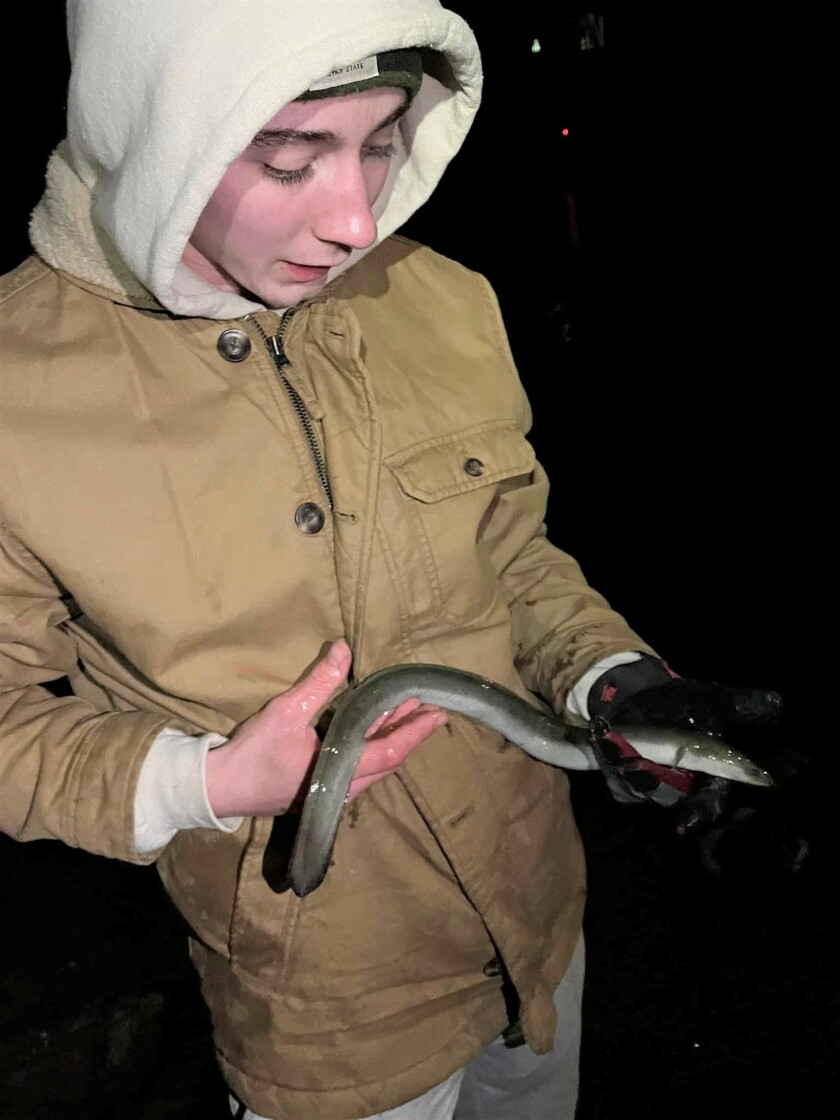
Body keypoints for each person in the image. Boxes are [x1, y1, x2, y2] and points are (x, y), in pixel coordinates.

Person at [0, 2, 781, 1118]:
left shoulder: (444, 298)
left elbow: (512, 554)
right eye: (288, 157)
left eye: (380, 144)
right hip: (326, 1011)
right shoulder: (13, 392)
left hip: (541, 927)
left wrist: (606, 674)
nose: (359, 219)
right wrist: (205, 779)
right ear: (155, 133)